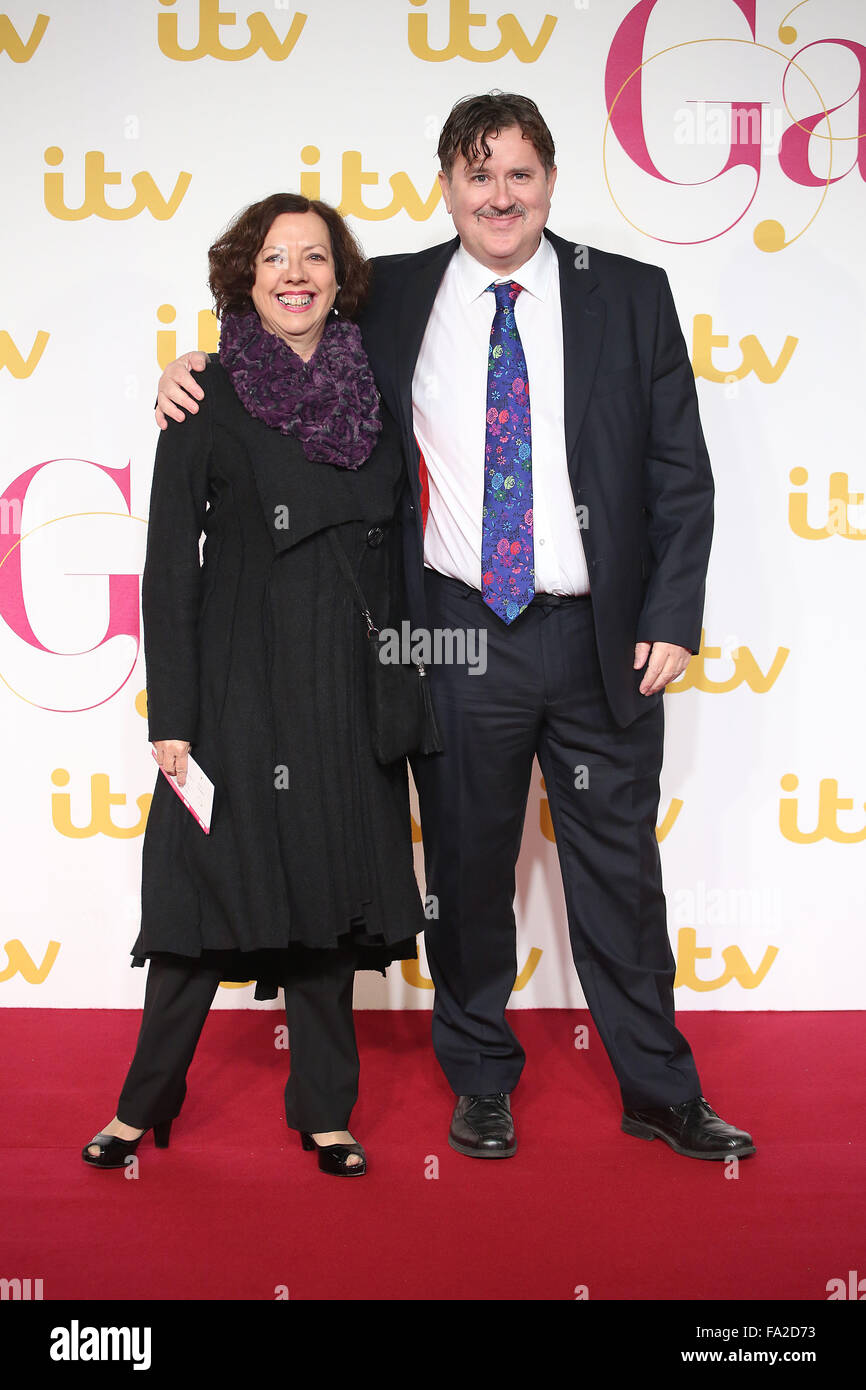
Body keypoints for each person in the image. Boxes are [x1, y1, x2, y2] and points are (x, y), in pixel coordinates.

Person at [156, 94, 755, 1163]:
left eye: (518, 175)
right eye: (477, 176)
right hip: (451, 635)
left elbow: (679, 472)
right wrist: (190, 374)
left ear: (550, 182)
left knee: (618, 876)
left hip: (598, 640)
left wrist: (670, 614)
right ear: (446, 184)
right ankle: (480, 1078)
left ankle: (658, 1089)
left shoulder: (626, 295)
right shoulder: (390, 297)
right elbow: (279, 346)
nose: (498, 196)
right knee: (468, 877)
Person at [83, 192, 425, 1177]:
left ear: (338, 276)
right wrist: (173, 715)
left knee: (326, 909)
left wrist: (399, 688)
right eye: (273, 257)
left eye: (313, 256)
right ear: (244, 275)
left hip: (344, 690)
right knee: (197, 905)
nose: (293, 273)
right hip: (235, 692)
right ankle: (142, 1102)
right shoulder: (206, 392)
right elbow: (165, 566)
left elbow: (393, 555)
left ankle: (325, 1111)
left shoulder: (377, 388)